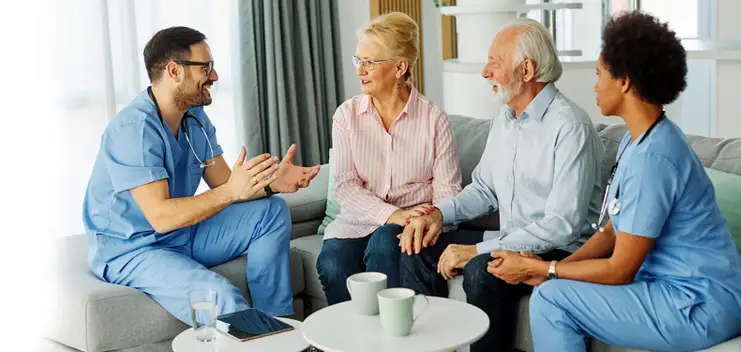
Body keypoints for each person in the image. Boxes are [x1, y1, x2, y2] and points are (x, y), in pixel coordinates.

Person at [483, 11, 741, 352]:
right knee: (551, 289)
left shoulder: (655, 158)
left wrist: (545, 269)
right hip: (676, 290)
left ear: (624, 81)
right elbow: (610, 231)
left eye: (599, 75)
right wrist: (554, 268)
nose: (594, 85)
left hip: (701, 304)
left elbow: (620, 269)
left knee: (552, 300)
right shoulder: (636, 140)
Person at [82, 26, 320, 325]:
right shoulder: (134, 130)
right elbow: (161, 217)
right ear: (174, 71)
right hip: (133, 248)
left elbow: (224, 183)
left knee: (270, 211)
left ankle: (279, 326)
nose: (215, 76)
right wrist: (233, 191)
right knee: (218, 296)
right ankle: (260, 340)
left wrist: (272, 184)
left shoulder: (194, 117)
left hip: (182, 233)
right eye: (205, 67)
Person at [398, 18, 605, 351]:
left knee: (483, 268)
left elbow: (561, 227)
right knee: (417, 244)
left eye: (494, 63)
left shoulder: (570, 127)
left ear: (526, 70)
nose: (484, 72)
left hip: (560, 252)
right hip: (510, 238)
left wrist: (476, 250)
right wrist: (438, 214)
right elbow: (484, 190)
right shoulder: (505, 120)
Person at [316, 12, 461, 305]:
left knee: (385, 244)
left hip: (410, 227)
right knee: (332, 263)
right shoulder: (347, 115)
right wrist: (390, 215)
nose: (360, 71)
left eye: (369, 62)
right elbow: (345, 185)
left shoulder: (434, 119)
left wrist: (421, 220)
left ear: (400, 67)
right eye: (358, 61)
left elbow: (448, 194)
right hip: (357, 222)